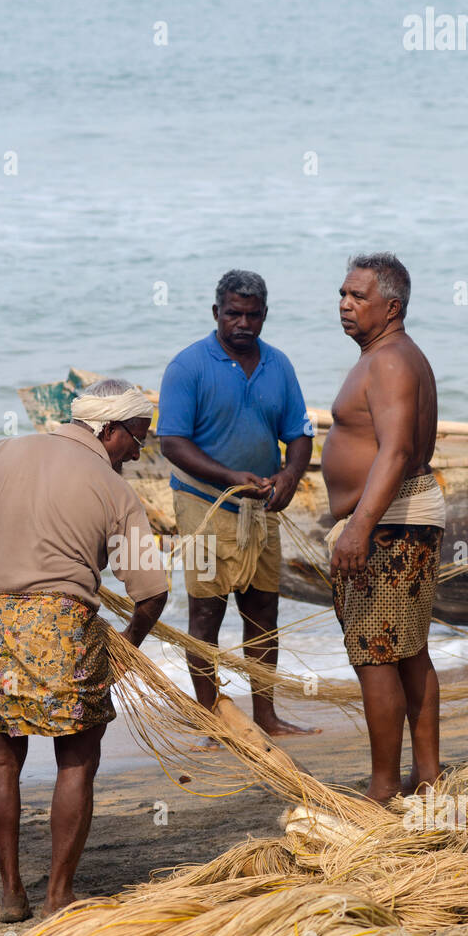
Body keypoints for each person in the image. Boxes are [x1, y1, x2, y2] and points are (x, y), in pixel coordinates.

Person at [0, 379, 168, 923]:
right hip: (65, 626)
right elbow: (152, 593)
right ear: (110, 430)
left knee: (1, 756)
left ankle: (12, 893)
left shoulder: (2, 451)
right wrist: (126, 647)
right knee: (77, 757)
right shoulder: (115, 491)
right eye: (137, 438)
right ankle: (60, 894)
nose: (138, 451)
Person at [157, 269, 318, 737]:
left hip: (261, 509)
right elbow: (172, 443)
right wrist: (230, 478)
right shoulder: (188, 366)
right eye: (233, 314)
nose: (242, 323)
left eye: (252, 315)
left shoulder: (279, 366)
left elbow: (300, 435)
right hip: (203, 507)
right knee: (206, 613)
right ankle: (215, 722)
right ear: (216, 314)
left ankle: (266, 716)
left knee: (263, 611)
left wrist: (290, 476)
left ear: (264, 316)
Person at [322, 253, 446, 803]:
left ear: (391, 307)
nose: (345, 305)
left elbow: (395, 452)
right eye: (343, 295)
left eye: (358, 297)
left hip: (390, 523)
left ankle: (383, 786)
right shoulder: (392, 356)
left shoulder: (390, 361)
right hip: (396, 518)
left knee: (376, 653)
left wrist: (358, 529)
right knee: (408, 649)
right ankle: (428, 775)